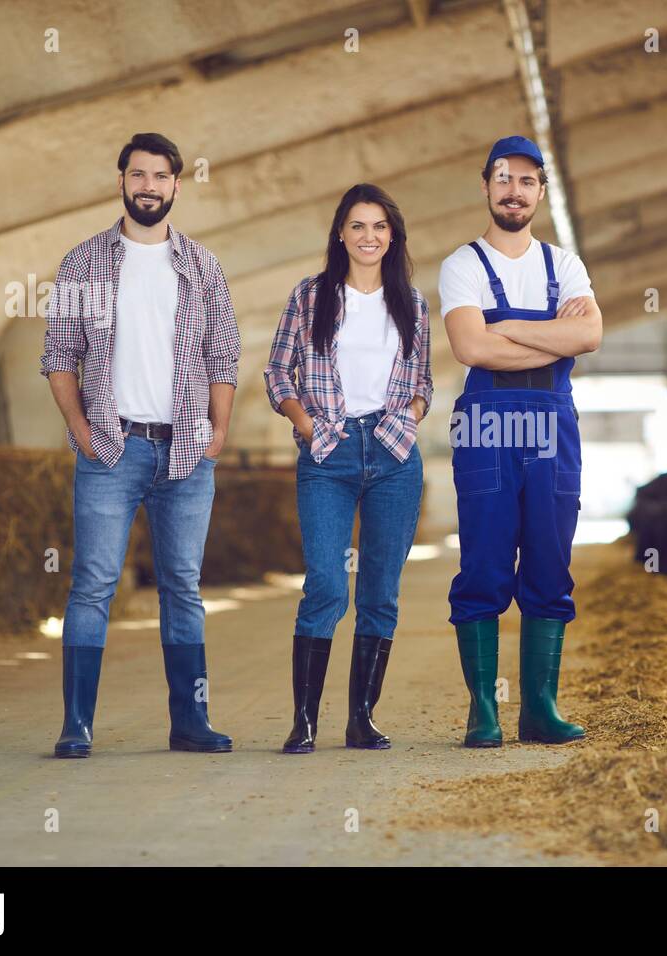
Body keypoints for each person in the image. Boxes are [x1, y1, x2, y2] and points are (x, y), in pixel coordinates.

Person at [41, 132, 241, 758]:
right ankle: (77, 725)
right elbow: (58, 354)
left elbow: (224, 354)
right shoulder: (82, 263)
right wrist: (81, 431)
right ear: (121, 181)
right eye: (138, 175)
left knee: (183, 587)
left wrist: (218, 432)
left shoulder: (202, 266)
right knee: (93, 584)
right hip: (111, 447)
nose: (148, 186)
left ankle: (190, 723)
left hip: (184, 451)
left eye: (160, 176)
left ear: (177, 185)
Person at [439, 135, 601, 748]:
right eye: (504, 179)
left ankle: (539, 709)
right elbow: (470, 348)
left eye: (528, 181)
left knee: (550, 561)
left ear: (540, 192)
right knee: (482, 561)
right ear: (486, 185)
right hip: (485, 425)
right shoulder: (462, 264)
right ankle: (483, 710)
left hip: (553, 426)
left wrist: (503, 326)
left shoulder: (565, 264)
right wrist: (550, 331)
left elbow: (589, 339)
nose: (515, 190)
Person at [264, 184, 431, 753]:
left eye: (379, 226)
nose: (369, 236)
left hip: (392, 454)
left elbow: (423, 382)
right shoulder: (310, 296)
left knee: (380, 593)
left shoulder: (411, 302)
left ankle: (361, 718)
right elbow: (277, 373)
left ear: (392, 235)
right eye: (358, 226)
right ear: (341, 233)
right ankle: (304, 721)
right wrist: (307, 425)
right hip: (328, 452)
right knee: (327, 587)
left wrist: (410, 419)